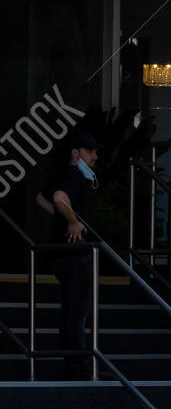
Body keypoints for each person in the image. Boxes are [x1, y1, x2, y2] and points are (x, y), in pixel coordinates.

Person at [47, 132, 100, 380]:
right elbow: (59, 198)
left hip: (65, 253)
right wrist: (73, 221)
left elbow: (41, 197)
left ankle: (73, 362)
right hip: (75, 252)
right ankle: (77, 364)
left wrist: (63, 218)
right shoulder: (73, 176)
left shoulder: (64, 175)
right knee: (78, 311)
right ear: (76, 153)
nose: (95, 157)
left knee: (71, 309)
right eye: (91, 152)